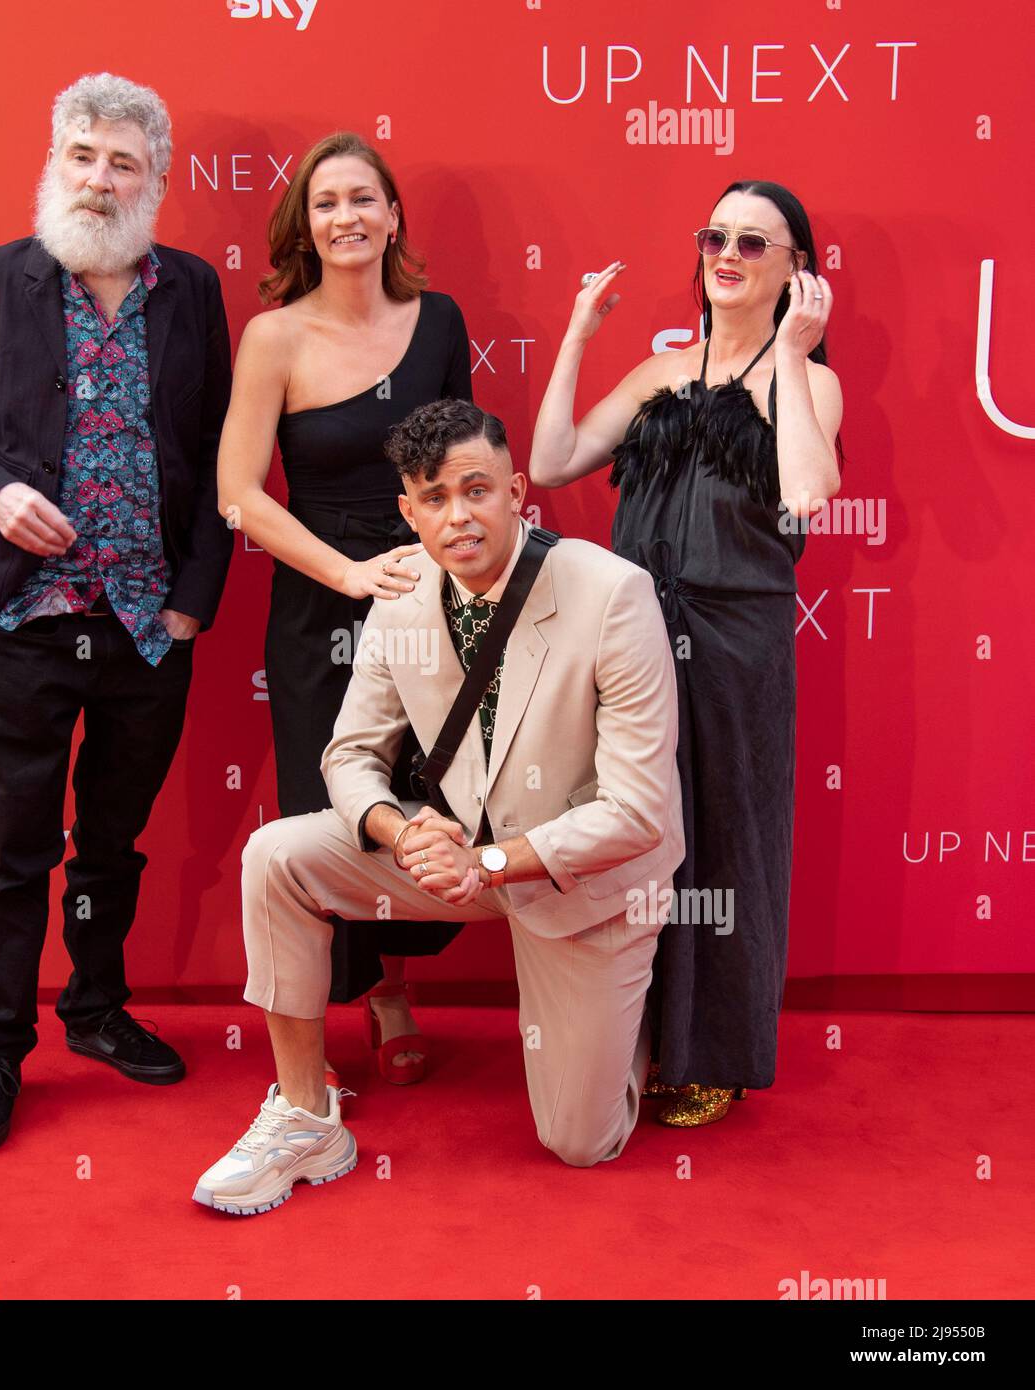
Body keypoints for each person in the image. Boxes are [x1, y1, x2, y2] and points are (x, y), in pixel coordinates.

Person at [193, 399, 684, 1215]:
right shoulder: (403, 590)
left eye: (476, 490)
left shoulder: (612, 595)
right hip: (454, 861)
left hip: (580, 880)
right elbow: (349, 756)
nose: (458, 516)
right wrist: (403, 828)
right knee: (276, 854)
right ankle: (306, 1115)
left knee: (579, 1143)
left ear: (517, 490)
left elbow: (639, 812)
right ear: (408, 511)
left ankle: (637, 1024)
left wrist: (486, 861)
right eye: (433, 497)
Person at [0, 72, 233, 1153]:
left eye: (122, 161)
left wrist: (190, 606)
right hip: (31, 619)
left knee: (113, 844)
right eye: (83, 155)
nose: (99, 178)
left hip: (148, 627)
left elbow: (225, 453)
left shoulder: (192, 290)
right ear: (55, 160)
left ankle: (92, 1008)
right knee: (12, 852)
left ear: (156, 179)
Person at [528, 179, 843, 1125]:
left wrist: (789, 355)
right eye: (716, 235)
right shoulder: (663, 372)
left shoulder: (810, 380)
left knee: (724, 845)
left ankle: (711, 1054)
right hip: (630, 637)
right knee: (629, 831)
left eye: (755, 241)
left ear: (796, 270)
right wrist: (580, 333)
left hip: (735, 643)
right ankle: (624, 1034)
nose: (729, 254)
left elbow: (807, 496)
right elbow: (550, 462)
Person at [217, 131, 473, 1087]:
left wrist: (439, 571)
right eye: (327, 203)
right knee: (326, 804)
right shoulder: (274, 336)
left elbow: (463, 469)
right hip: (320, 602)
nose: (347, 218)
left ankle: (390, 993)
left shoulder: (439, 321)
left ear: (393, 214)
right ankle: (305, 1052)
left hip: (429, 601)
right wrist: (349, 575)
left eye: (363, 199)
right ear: (304, 225)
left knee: (418, 793)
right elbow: (238, 490)